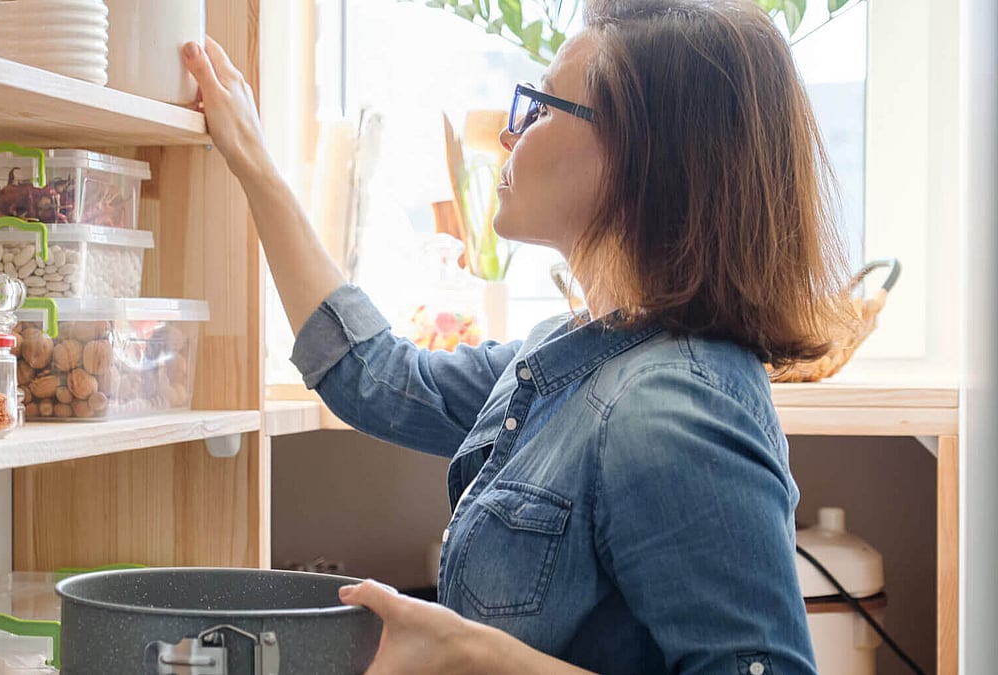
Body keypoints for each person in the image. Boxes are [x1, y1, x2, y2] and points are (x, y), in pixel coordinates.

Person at [182, 0, 851, 671]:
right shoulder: (568, 355)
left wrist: (471, 653)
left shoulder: (673, 407)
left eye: (542, 107)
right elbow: (373, 376)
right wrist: (254, 163)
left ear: (631, 155)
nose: (510, 135)